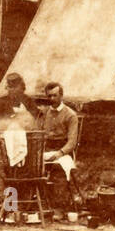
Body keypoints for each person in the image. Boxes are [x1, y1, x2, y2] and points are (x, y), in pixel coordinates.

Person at [37, 81, 80, 217]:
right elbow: (39, 133)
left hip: (63, 151)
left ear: (61, 95)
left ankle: (59, 207)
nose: (52, 99)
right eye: (49, 96)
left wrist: (59, 154)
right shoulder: (45, 113)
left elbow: (72, 142)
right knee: (32, 166)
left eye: (55, 96)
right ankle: (39, 204)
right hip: (46, 149)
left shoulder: (70, 115)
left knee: (57, 168)